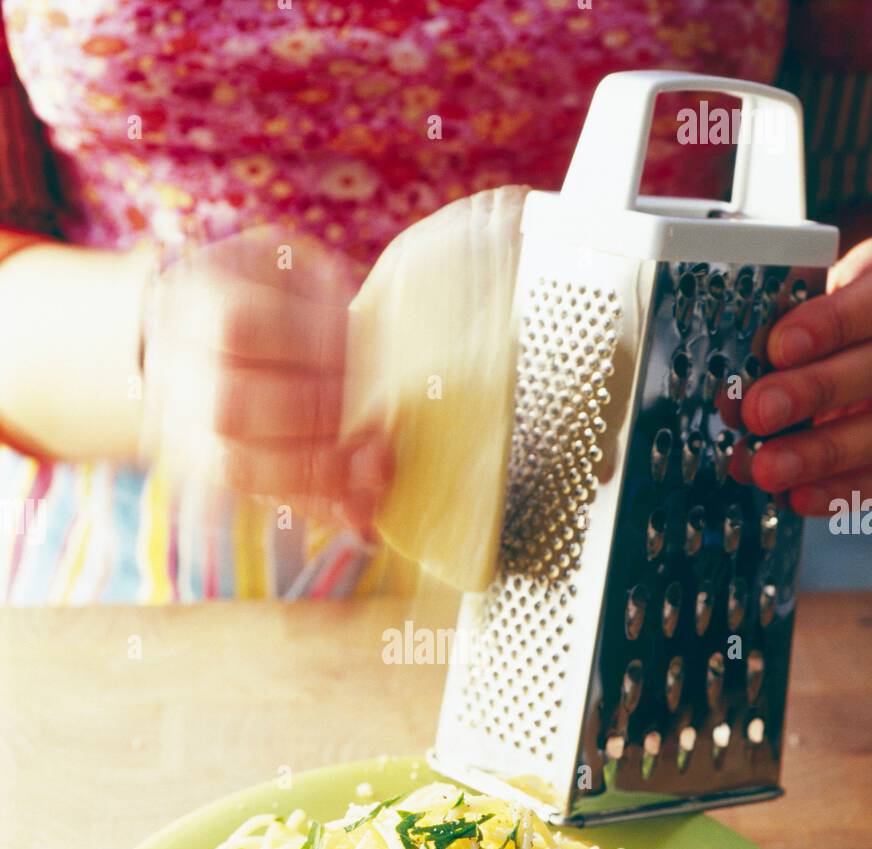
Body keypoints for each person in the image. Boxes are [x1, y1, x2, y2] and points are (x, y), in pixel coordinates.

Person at [0, 1, 866, 603]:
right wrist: (150, 344)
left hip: (672, 556)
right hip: (163, 587)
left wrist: (840, 340)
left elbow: (841, 177)